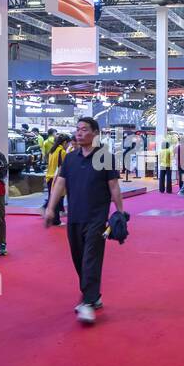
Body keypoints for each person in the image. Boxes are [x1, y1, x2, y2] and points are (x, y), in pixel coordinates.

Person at [44, 117, 125, 325]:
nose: (79, 133)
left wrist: (120, 212)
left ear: (95, 133)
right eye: (77, 129)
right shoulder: (70, 159)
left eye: (84, 130)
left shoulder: (105, 157)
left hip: (97, 218)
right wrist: (51, 209)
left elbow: (114, 185)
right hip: (75, 217)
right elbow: (59, 184)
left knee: (91, 258)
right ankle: (94, 295)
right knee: (79, 259)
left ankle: (87, 302)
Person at [45, 133, 68, 226]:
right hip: (57, 178)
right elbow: (64, 166)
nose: (68, 146)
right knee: (58, 199)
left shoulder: (52, 150)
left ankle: (51, 216)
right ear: (65, 142)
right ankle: (56, 220)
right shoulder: (62, 152)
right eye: (68, 144)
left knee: (52, 198)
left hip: (49, 177)